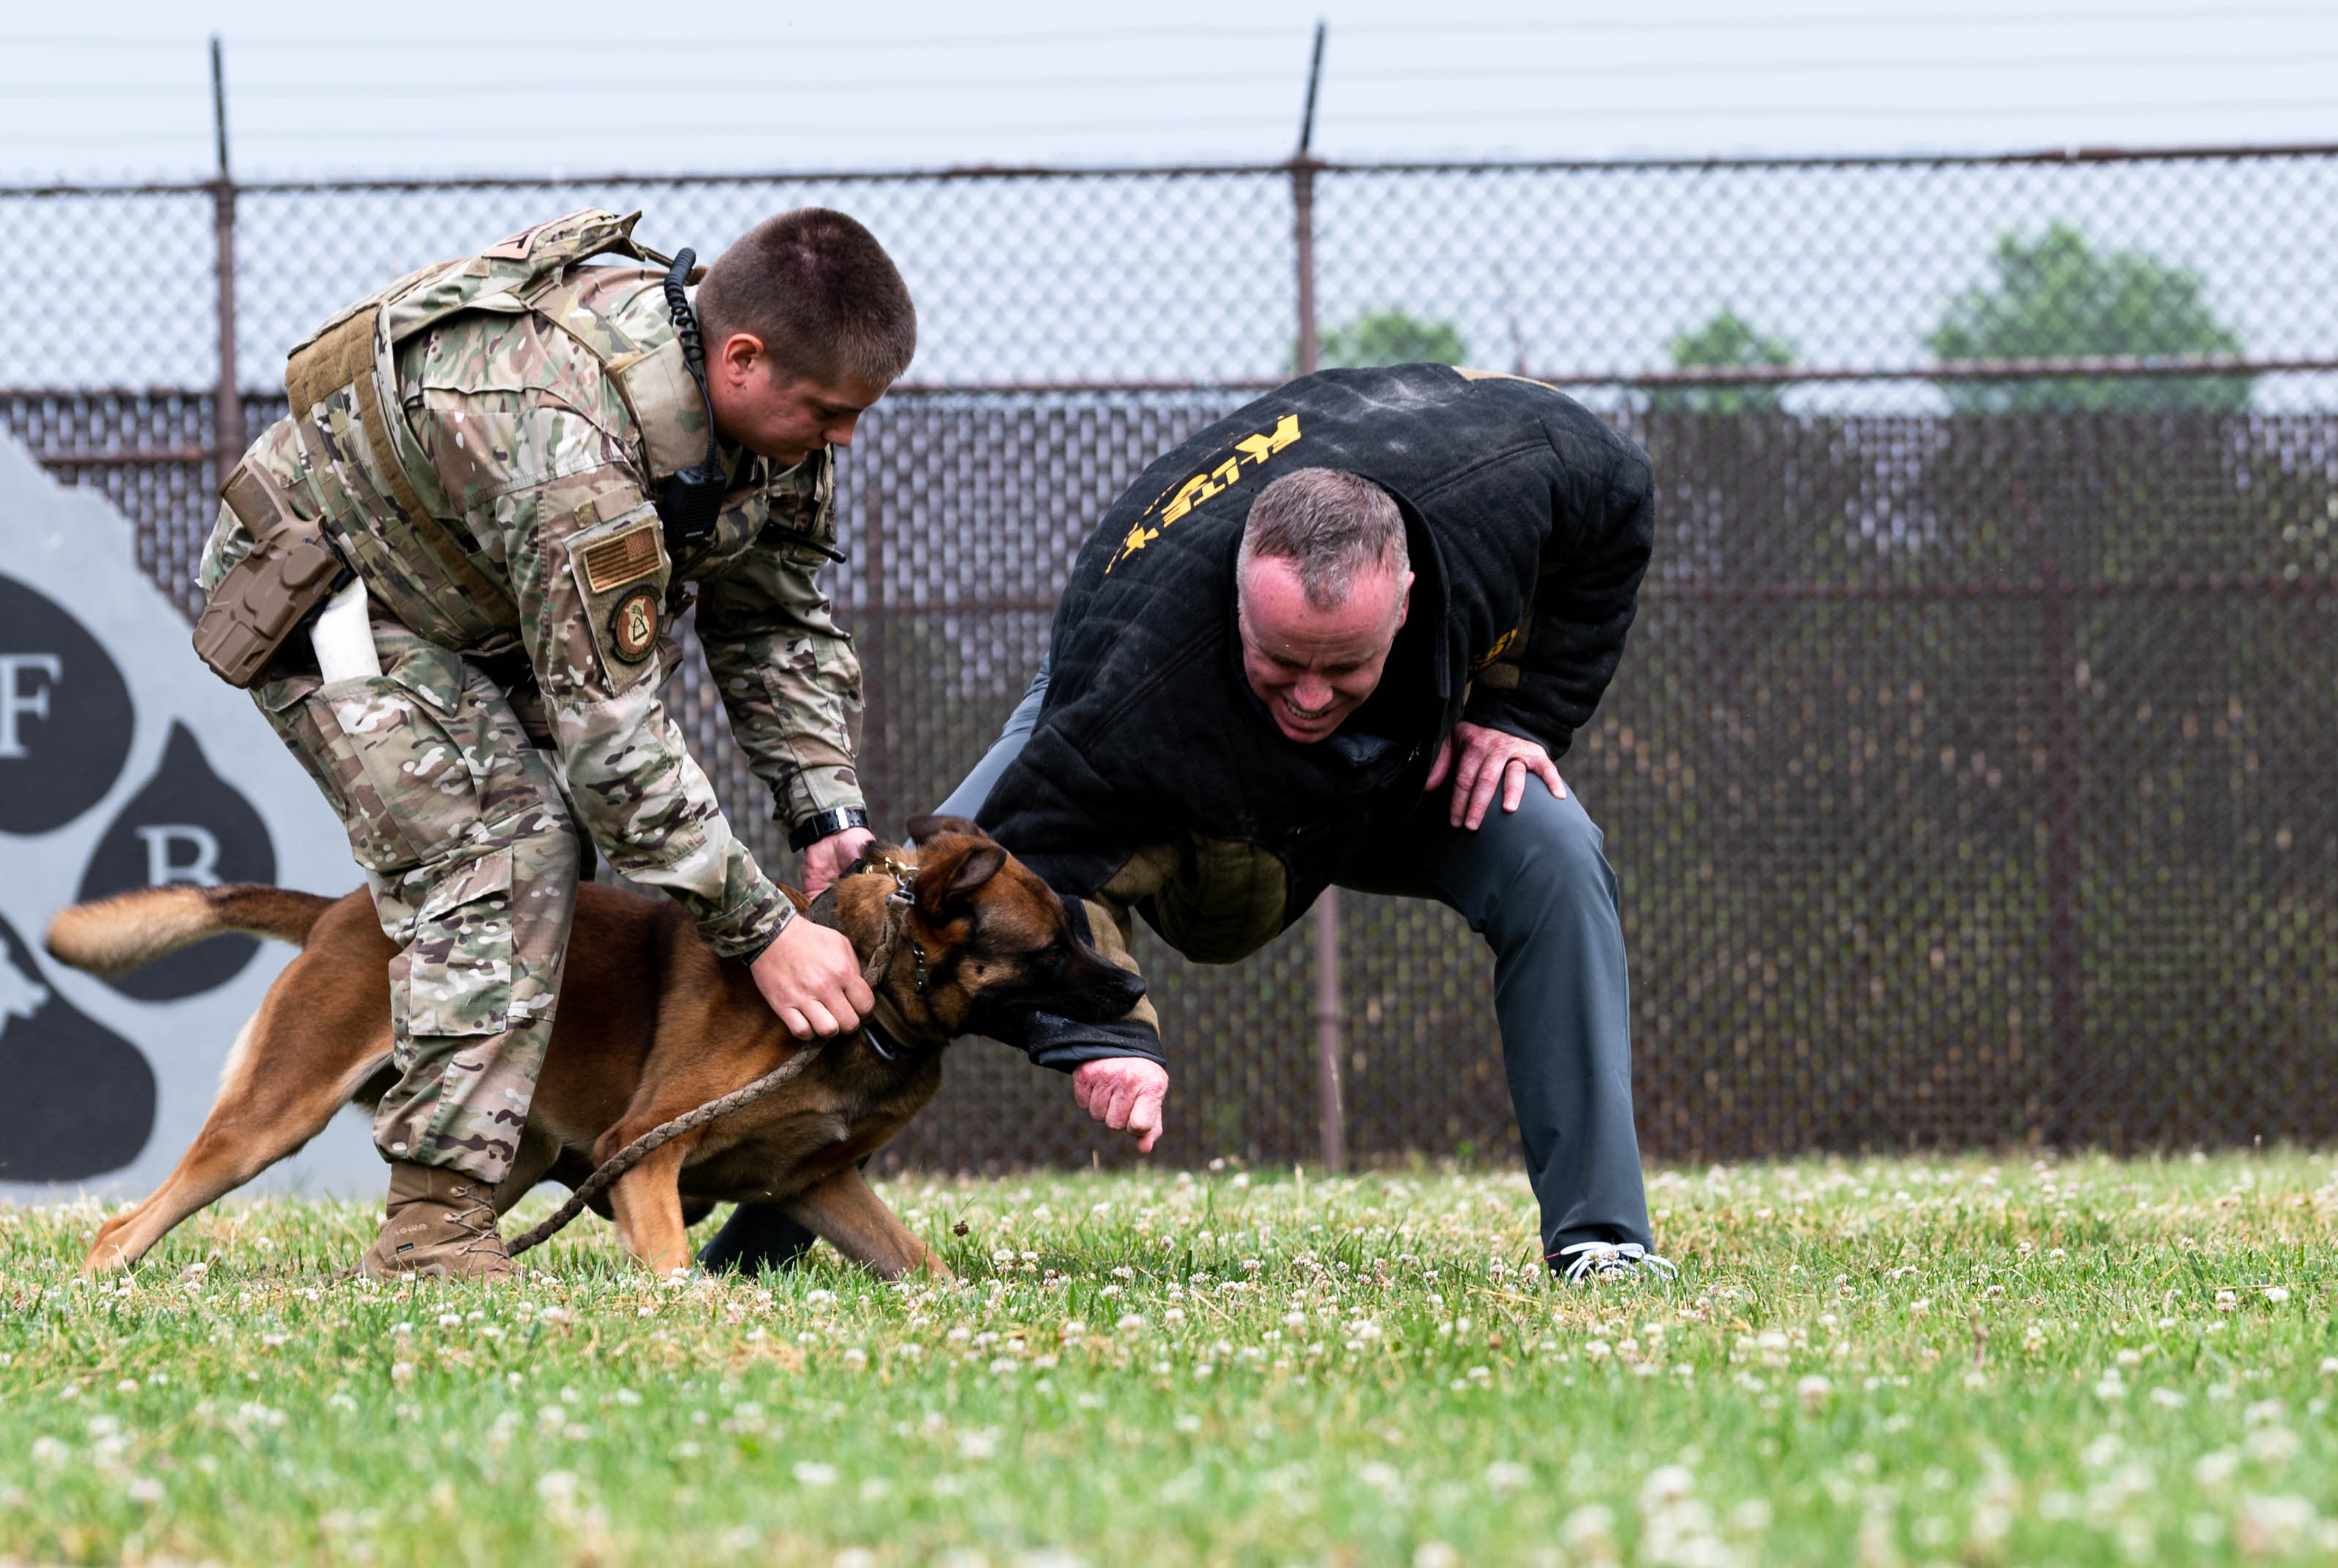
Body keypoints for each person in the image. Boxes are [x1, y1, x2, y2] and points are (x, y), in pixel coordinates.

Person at [711, 361, 1671, 1282]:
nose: (1310, 698)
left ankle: (1603, 1240)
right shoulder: (1133, 687)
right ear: (1239, 596)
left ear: (1407, 596)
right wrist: (1111, 1036)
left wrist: (1525, 715)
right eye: (1281, 660)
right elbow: (1048, 868)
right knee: (922, 915)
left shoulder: (1512, 483)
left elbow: (1619, 498)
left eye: (1345, 666)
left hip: (1390, 770)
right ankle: (761, 1234)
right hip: (1156, 765)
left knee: (1557, 854)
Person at [184, 206, 909, 1278]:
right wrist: (765, 932)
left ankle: (511, 1162)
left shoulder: (770, 427)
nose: (843, 438)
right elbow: (615, 747)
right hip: (333, 595)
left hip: (480, 598)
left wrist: (827, 816)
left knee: (557, 857)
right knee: (507, 844)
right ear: (744, 359)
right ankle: (433, 1232)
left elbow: (772, 621)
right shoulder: (569, 444)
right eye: (830, 412)